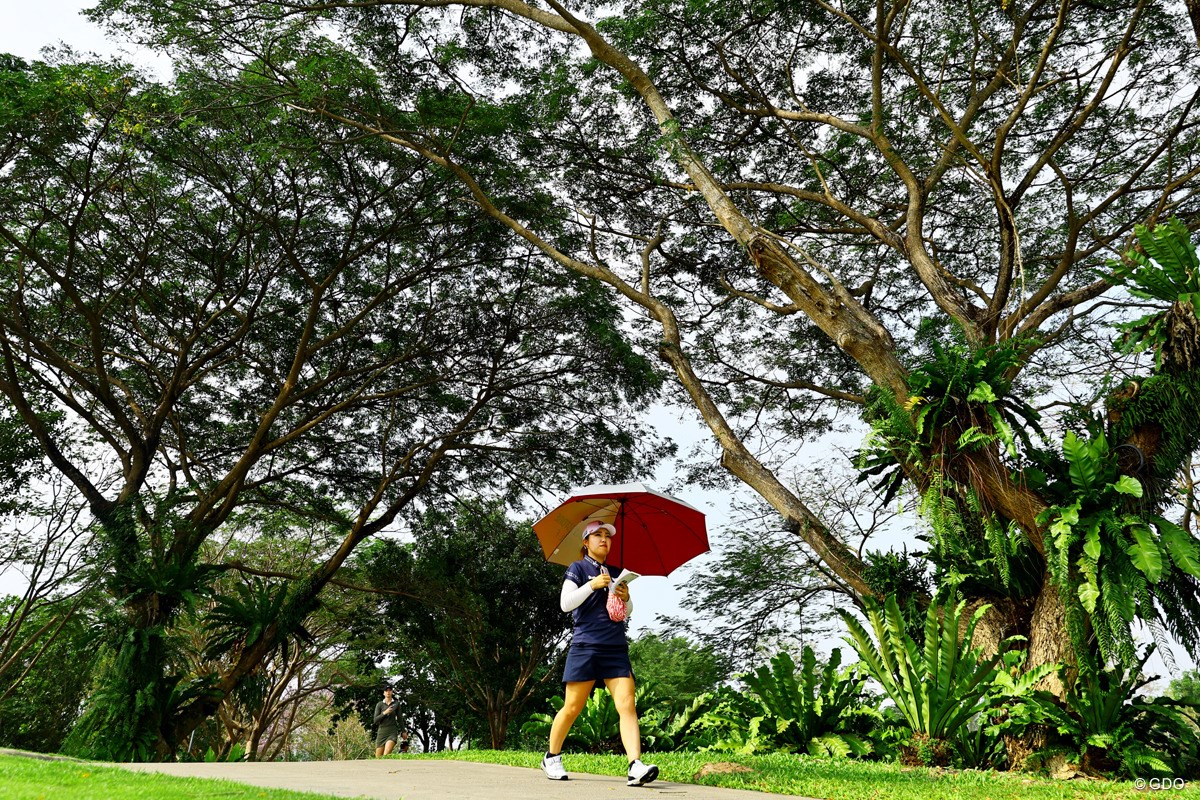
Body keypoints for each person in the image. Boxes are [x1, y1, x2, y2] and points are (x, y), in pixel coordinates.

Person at [541, 519, 658, 787]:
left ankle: (635, 765)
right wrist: (592, 585)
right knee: (572, 707)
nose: (604, 539)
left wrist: (626, 596)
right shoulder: (578, 568)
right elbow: (565, 604)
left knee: (627, 704)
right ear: (586, 542)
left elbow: (626, 613)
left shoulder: (617, 571)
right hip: (586, 645)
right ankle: (551, 757)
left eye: (607, 535)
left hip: (615, 646)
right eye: (597, 535)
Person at [373, 685, 401, 757]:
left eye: (390, 690)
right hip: (382, 731)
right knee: (378, 757)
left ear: (392, 692)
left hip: (392, 730)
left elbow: (400, 718)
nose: (388, 692)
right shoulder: (379, 704)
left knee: (386, 754)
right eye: (386, 691)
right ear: (384, 693)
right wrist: (385, 712)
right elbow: (375, 720)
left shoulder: (396, 704)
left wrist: (403, 731)